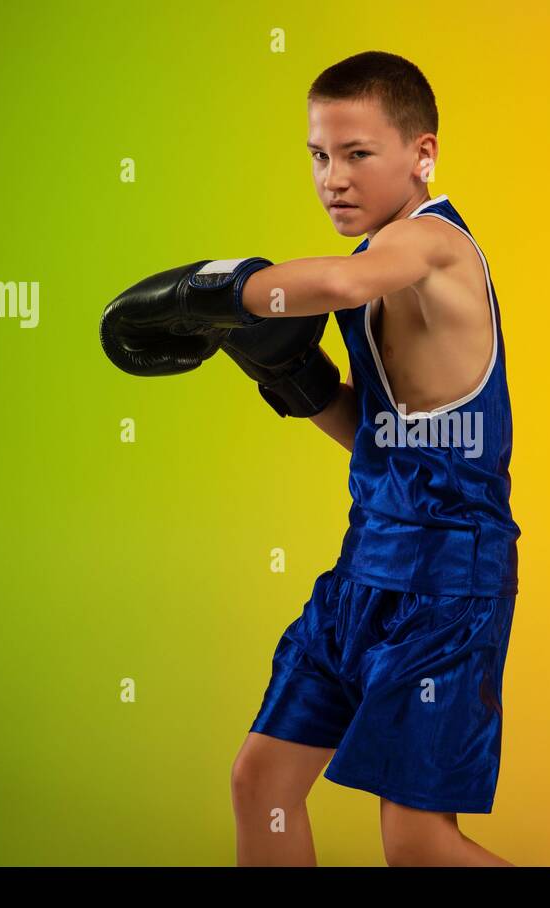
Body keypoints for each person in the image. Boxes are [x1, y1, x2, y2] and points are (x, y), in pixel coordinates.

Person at [100, 51, 521, 866]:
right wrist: (296, 381)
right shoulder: (375, 261)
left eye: (359, 154)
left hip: (446, 581)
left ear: (422, 154)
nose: (334, 178)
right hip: (365, 566)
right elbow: (381, 434)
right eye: (320, 156)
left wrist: (210, 294)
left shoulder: (433, 249)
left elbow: (329, 285)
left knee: (418, 847)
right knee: (262, 781)